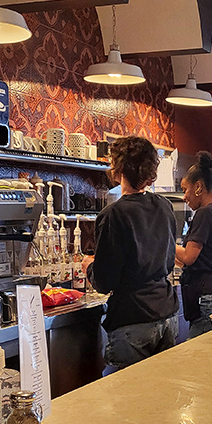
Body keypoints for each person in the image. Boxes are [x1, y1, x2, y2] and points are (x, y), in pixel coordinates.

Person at [82, 136, 178, 371]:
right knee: (161, 397)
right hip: (166, 314)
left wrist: (88, 267)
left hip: (132, 319)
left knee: (124, 402)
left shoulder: (113, 214)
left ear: (118, 168)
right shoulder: (164, 206)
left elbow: (105, 281)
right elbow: (168, 262)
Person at [175, 151, 212, 337]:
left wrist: (165, 240)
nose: (184, 197)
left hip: (207, 298)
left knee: (199, 357)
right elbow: (190, 259)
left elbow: (188, 257)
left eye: (185, 190)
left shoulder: (204, 213)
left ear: (198, 187)